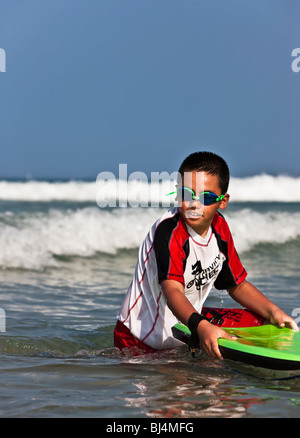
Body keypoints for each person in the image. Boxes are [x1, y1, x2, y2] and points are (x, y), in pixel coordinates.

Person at [114, 151, 298, 359]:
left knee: (263, 321)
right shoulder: (169, 231)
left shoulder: (219, 228)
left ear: (223, 201)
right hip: (141, 339)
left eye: (206, 197)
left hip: (184, 326)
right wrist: (201, 327)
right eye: (186, 194)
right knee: (185, 385)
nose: (194, 204)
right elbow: (173, 291)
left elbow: (236, 285)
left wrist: (275, 312)